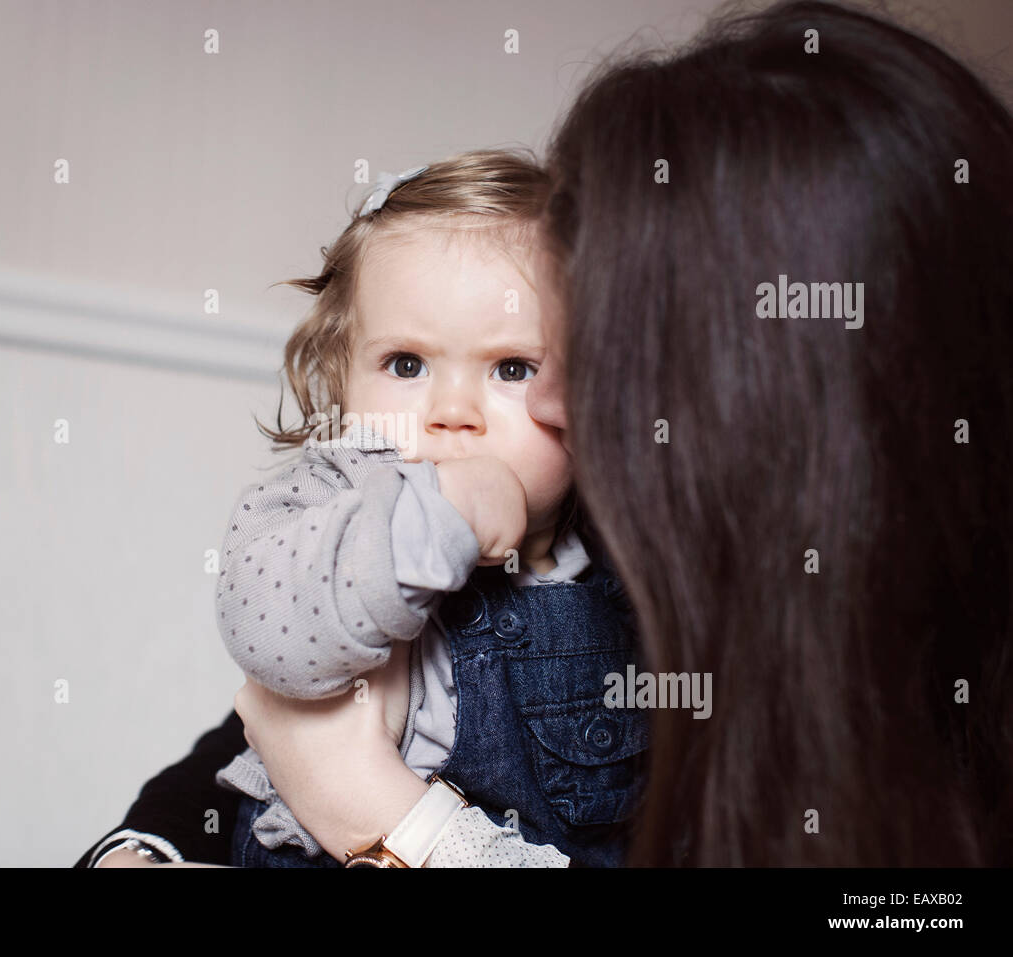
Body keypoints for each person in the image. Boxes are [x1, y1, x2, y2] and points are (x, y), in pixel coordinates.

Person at [78, 0, 1013, 868]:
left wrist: (384, 815)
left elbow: (337, 767)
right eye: (405, 362)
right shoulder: (379, 511)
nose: (541, 405)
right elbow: (256, 724)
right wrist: (139, 850)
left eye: (548, 358)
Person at [211, 149, 645, 868]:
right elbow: (267, 628)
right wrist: (433, 518)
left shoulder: (621, 564)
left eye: (512, 368)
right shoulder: (323, 499)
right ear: (340, 378)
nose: (451, 413)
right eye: (406, 364)